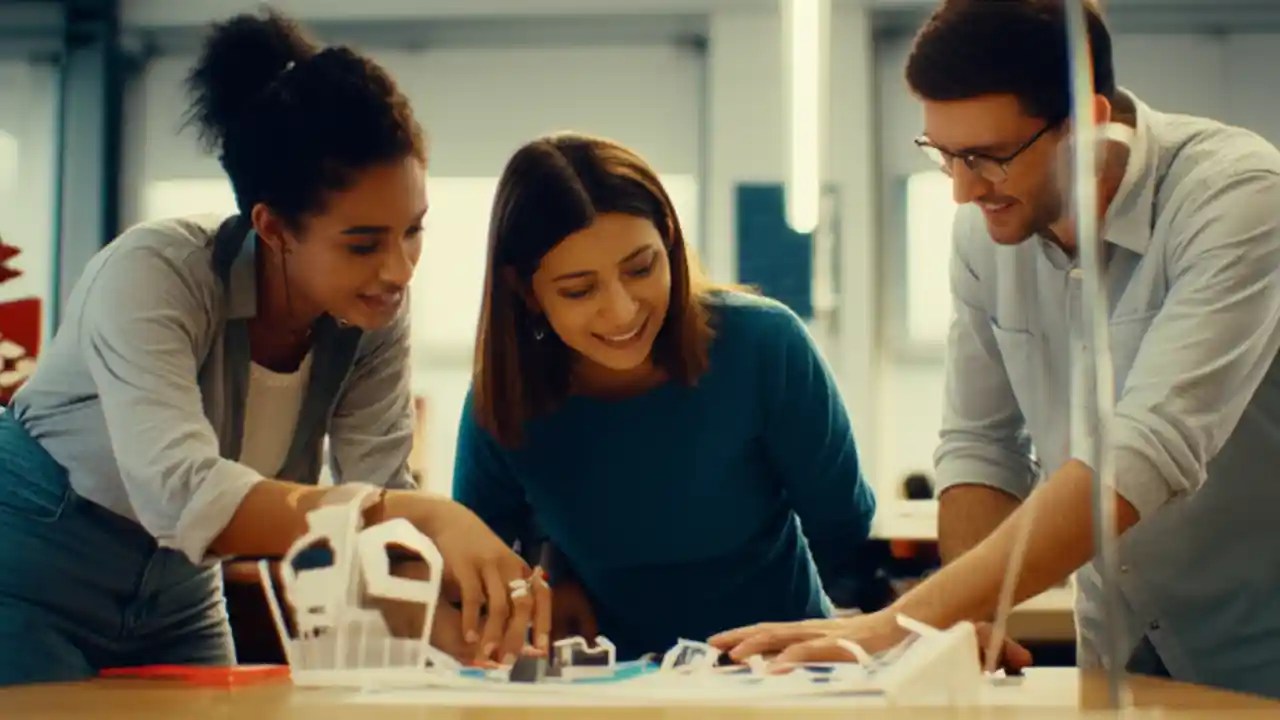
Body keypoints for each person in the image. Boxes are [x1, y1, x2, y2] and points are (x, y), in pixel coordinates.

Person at [710, 0, 1280, 698]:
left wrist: (895, 625)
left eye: (987, 157)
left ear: (1088, 125)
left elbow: (1145, 447)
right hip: (1121, 646)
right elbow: (982, 446)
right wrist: (958, 627)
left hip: (1258, 643)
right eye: (944, 154)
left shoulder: (1236, 196)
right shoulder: (988, 231)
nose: (961, 189)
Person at [0, 10, 547, 685]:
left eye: (414, 230)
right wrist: (418, 514)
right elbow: (180, 494)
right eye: (364, 242)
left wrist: (470, 634)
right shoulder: (152, 275)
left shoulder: (370, 316)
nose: (400, 268)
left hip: (178, 586)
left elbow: (373, 510)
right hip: (28, 561)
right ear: (274, 227)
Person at [450, 133, 877, 661]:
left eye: (641, 267)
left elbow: (843, 527)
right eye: (579, 290)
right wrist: (548, 568)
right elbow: (471, 566)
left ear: (670, 240)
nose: (622, 310)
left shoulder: (764, 345)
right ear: (525, 292)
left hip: (777, 673)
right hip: (606, 689)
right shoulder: (505, 397)